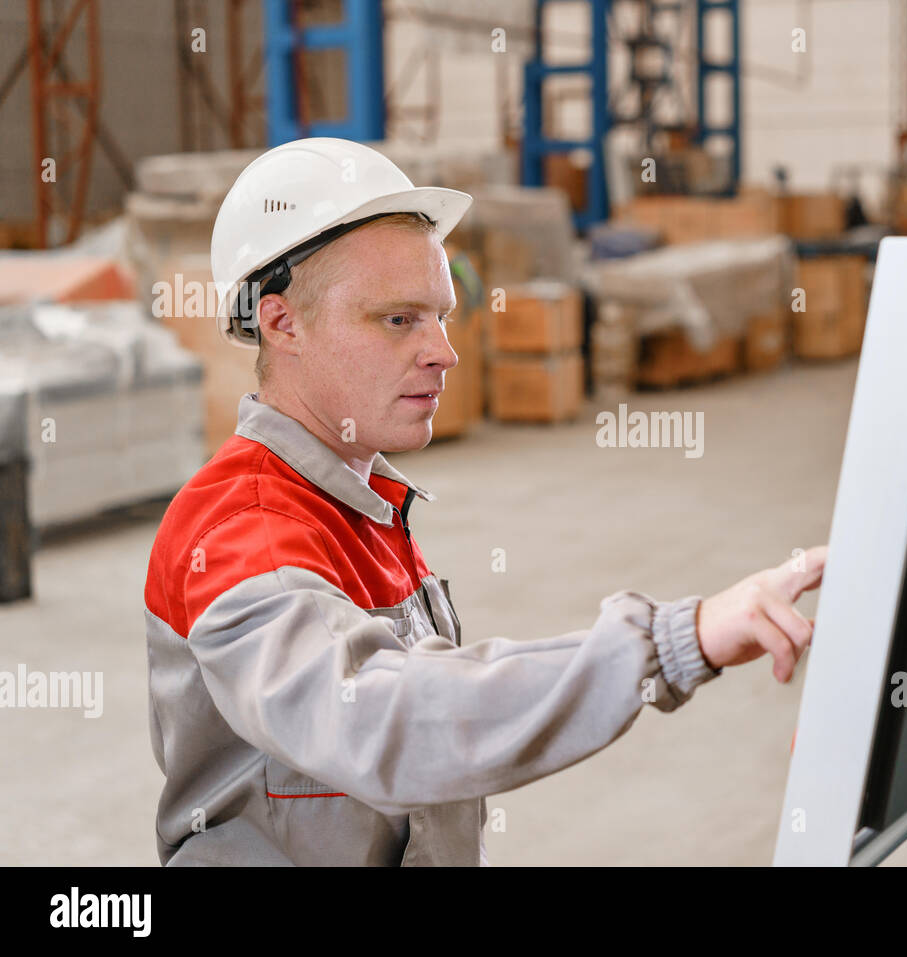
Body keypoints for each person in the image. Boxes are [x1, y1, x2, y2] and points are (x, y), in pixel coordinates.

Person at [143, 138, 826, 865]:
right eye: (398, 319)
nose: (444, 350)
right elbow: (380, 720)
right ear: (282, 324)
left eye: (441, 314)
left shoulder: (362, 505)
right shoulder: (245, 529)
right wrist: (666, 641)